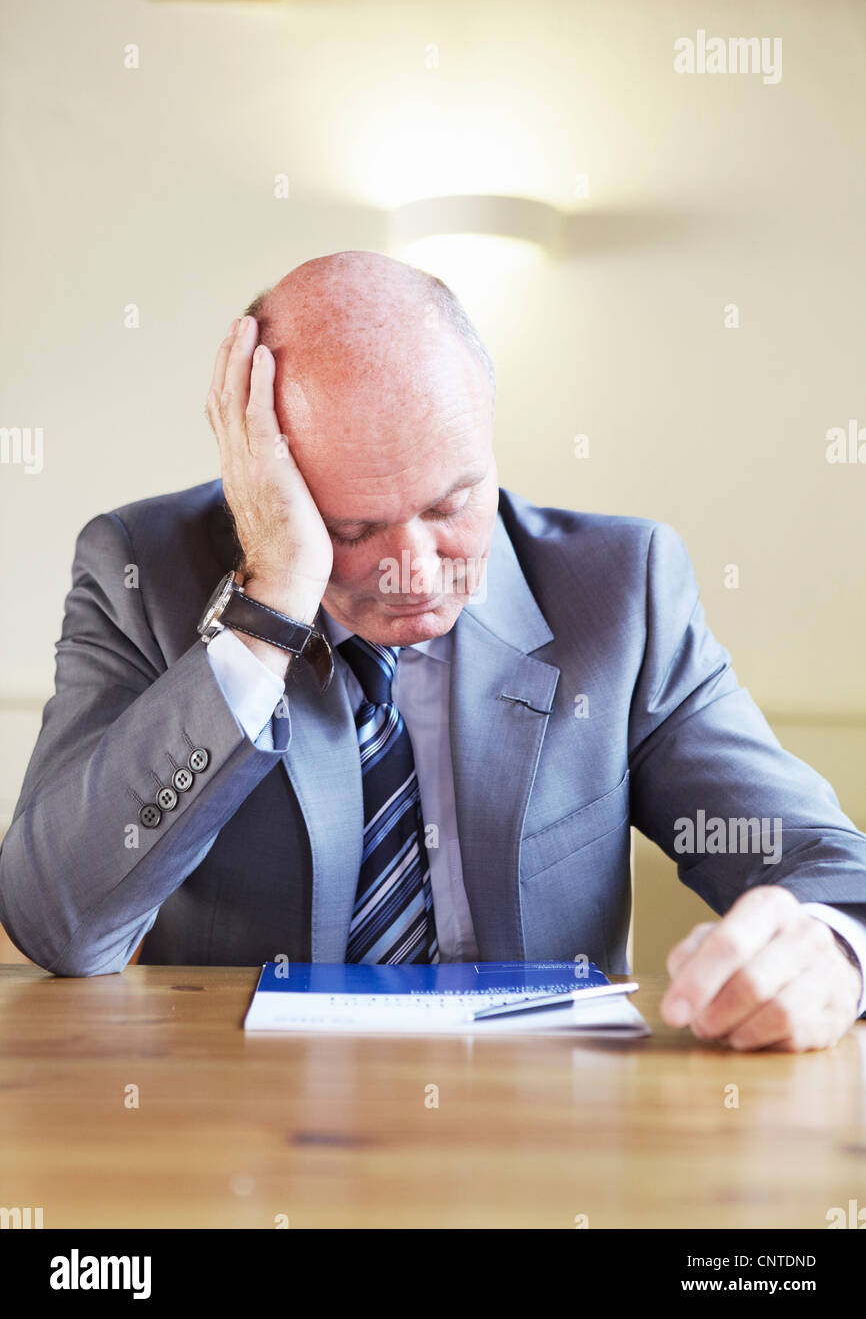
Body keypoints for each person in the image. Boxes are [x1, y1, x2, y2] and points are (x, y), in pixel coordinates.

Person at [1, 250, 864, 1053]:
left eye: (453, 504)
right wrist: (264, 611)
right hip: (244, 1139)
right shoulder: (141, 572)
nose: (415, 571)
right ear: (257, 476)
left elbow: (827, 864)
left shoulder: (620, 589)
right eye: (353, 528)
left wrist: (829, 948)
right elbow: (59, 923)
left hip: (547, 1142)